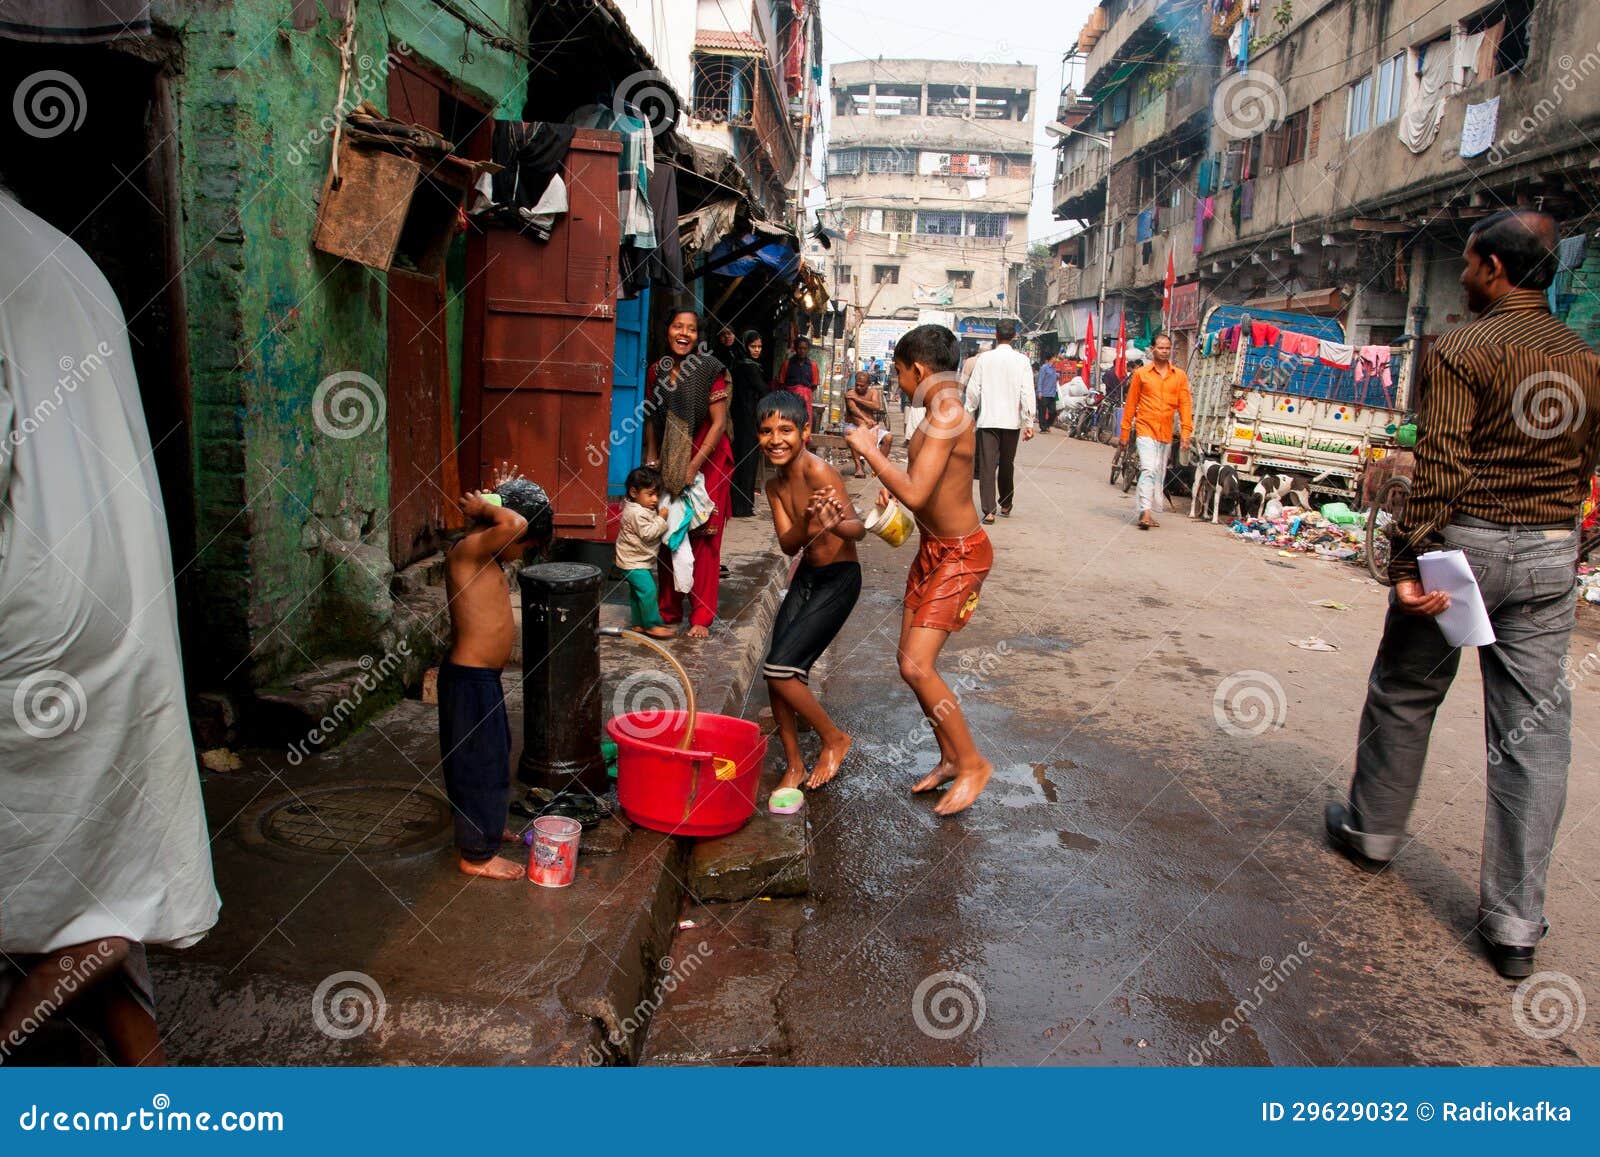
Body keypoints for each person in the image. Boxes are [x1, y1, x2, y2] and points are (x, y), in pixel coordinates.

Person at [1326, 209, 1600, 979]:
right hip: (1550, 553)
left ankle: (1373, 833)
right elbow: (1585, 466)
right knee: (1534, 734)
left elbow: (1440, 466)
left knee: (1408, 688)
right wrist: (1562, 539)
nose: (1470, 277)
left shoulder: (1464, 349)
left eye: (1474, 265)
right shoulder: (1586, 358)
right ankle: (1514, 924)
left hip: (1465, 547)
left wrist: (1409, 563)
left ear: (1498, 270)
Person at [0, 188, 220, 1066]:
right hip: (115, 594)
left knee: (77, 867)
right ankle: (143, 1066)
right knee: (112, 851)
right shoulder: (60, 253)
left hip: (32, 617)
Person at [845, 324, 994, 816]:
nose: (899, 384)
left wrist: (871, 455)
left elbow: (914, 493)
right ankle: (951, 758)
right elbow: (920, 487)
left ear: (919, 369)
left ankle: (973, 763)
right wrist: (893, 478)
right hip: (934, 547)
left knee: (916, 664)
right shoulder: (936, 412)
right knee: (908, 663)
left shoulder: (946, 414)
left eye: (900, 374)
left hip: (960, 554)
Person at [442, 474, 551, 880]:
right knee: (478, 764)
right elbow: (516, 526)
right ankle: (476, 854)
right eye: (521, 547)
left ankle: (486, 826)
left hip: (481, 680)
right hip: (469, 681)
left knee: (495, 752)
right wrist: (483, 508)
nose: (518, 550)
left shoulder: (483, 556)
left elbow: (516, 530)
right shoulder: (468, 549)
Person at [759, 390, 865, 793]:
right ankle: (793, 763)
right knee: (776, 672)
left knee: (781, 669)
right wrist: (807, 521)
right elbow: (789, 544)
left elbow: (857, 529)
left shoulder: (819, 472)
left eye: (785, 429)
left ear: (805, 431)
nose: (776, 439)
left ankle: (835, 738)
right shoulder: (774, 486)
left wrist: (834, 522)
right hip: (807, 575)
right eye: (766, 431)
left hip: (840, 576)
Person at [643, 309, 733, 638]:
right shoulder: (657, 371)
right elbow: (651, 417)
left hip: (709, 459)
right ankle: (668, 611)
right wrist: (652, 457)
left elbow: (719, 423)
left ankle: (701, 616)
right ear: (666, 330)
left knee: (704, 536)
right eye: (677, 326)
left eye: (691, 329)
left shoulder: (710, 369)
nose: (684, 333)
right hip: (670, 457)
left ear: (699, 336)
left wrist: (692, 468)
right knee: (668, 531)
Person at [963, 318, 1036, 523]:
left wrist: (969, 414)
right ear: (1014, 336)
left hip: (988, 422)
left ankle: (988, 510)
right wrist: (1028, 423)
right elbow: (1027, 393)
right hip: (1011, 423)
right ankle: (1005, 502)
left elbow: (973, 390)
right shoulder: (1022, 361)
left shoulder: (984, 359)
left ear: (996, 335)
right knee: (1007, 463)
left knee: (986, 466)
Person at [1119, 333, 1191, 529]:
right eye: (1160, 347)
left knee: (1158, 472)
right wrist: (1125, 432)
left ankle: (1147, 509)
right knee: (1148, 468)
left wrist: (1186, 432)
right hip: (1145, 428)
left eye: (1167, 348)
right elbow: (1131, 404)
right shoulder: (1141, 374)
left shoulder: (1179, 376)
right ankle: (1145, 512)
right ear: (1152, 350)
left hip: (1165, 432)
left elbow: (1185, 405)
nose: (1164, 351)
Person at [615, 466, 674, 639]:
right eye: (650, 494)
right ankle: (652, 624)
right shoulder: (636, 513)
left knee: (637, 593)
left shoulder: (637, 507)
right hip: (633, 562)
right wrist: (661, 519)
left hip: (632, 560)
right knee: (648, 591)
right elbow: (648, 534)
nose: (655, 499)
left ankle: (638, 623)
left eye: (657, 494)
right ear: (634, 492)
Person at [729, 329, 767, 517]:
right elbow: (763, 390)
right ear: (745, 346)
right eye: (753, 346)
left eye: (759, 346)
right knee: (746, 461)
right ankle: (742, 506)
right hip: (745, 420)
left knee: (743, 461)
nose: (757, 350)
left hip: (744, 418)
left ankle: (742, 505)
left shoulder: (743, 364)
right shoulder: (748, 367)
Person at [843, 370, 889, 477]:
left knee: (888, 438)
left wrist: (857, 399)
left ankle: (878, 467)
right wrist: (865, 420)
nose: (858, 388)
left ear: (868, 385)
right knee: (853, 434)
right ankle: (859, 468)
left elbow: (876, 406)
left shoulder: (873, 392)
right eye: (857, 385)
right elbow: (853, 410)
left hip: (869, 426)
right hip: (853, 425)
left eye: (862, 386)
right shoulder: (850, 393)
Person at [780, 335, 819, 425]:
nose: (802, 351)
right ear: (796, 349)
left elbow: (814, 385)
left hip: (806, 400)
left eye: (805, 348)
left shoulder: (813, 365)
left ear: (808, 350)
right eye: (800, 348)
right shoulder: (787, 364)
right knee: (790, 423)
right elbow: (782, 384)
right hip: (789, 400)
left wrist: (803, 393)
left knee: (804, 423)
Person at [1035, 356, 1060, 432]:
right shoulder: (1044, 368)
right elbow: (1040, 380)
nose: (1056, 359)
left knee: (1053, 412)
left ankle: (1047, 425)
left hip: (1052, 394)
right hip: (1044, 393)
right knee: (1042, 412)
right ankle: (1043, 428)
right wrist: (1039, 392)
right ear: (1051, 359)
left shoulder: (1054, 369)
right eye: (1054, 358)